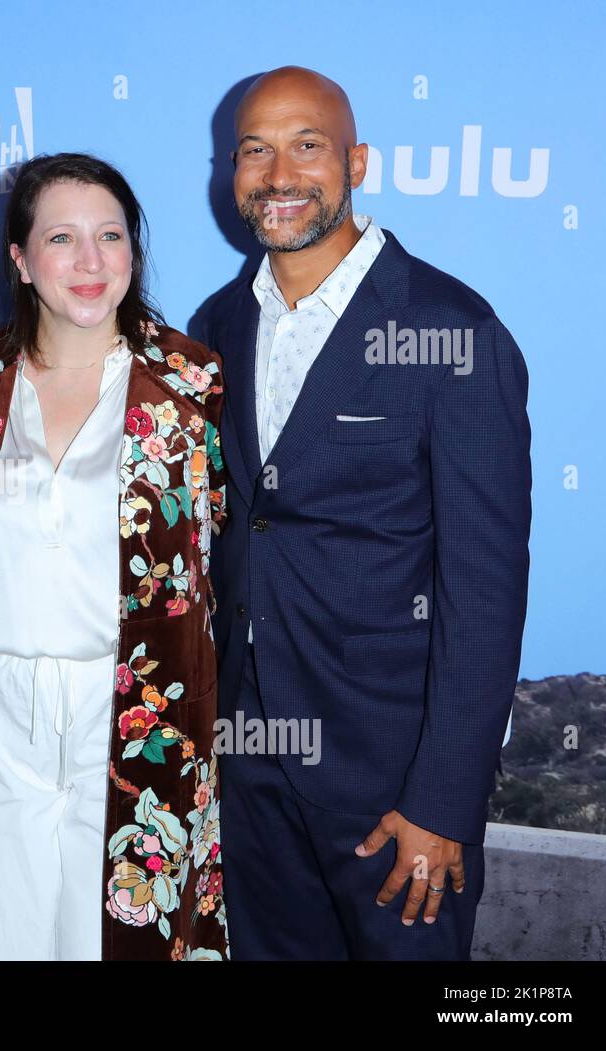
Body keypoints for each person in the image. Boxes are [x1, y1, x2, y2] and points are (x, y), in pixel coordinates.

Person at [201, 66, 532, 960]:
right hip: (250, 767)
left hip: (392, 784)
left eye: (307, 145)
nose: (279, 173)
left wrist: (445, 798)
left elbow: (485, 587)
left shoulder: (450, 330)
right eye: (253, 150)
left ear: (357, 160)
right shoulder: (219, 324)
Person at [0, 153, 229, 961]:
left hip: (135, 714)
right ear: (19, 260)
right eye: (61, 238)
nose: (90, 262)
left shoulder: (193, 388)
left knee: (122, 938)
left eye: (111, 237)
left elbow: (223, 539)